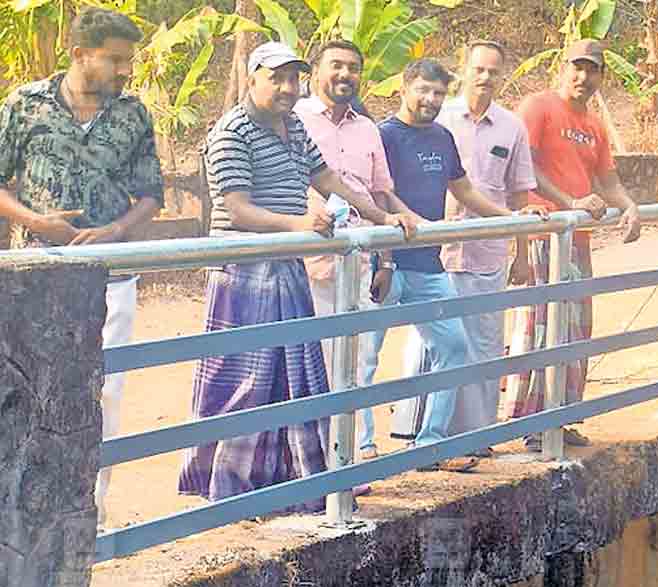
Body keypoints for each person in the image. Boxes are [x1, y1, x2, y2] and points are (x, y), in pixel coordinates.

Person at [179, 41, 421, 505]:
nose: (288, 88)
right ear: (252, 78)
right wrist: (298, 224)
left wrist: (380, 217)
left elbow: (329, 179)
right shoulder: (233, 131)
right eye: (277, 77)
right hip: (245, 271)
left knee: (294, 379)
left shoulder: (291, 126)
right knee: (243, 384)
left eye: (294, 78)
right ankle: (229, 490)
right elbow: (234, 207)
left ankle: (289, 481)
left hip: (287, 264)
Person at [0, 7, 161, 530]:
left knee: (105, 392)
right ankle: (22, 511)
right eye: (115, 60)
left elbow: (151, 194)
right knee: (27, 390)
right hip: (34, 275)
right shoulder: (25, 105)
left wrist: (114, 232)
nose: (124, 71)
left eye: (127, 61)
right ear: (79, 55)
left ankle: (90, 510)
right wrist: (35, 221)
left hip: (110, 275)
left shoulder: (133, 114)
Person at [375, 58, 539, 472]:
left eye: (436, 93)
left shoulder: (442, 137)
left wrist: (510, 219)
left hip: (430, 266)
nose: (429, 99)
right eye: (422, 91)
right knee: (363, 359)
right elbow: (376, 194)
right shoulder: (383, 136)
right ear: (404, 88)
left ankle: (430, 445)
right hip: (385, 264)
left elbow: (464, 190)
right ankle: (361, 455)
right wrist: (386, 256)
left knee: (454, 348)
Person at [507, 39, 642, 452]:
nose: (584, 77)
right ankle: (531, 423)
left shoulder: (595, 127)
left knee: (576, 329)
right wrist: (569, 204)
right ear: (563, 68)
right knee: (541, 325)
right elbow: (524, 165)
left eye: (593, 70)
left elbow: (609, 181)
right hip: (546, 232)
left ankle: (562, 416)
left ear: (602, 76)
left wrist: (630, 206)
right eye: (577, 68)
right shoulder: (539, 107)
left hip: (578, 241)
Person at [294, 40, 405, 461]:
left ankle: (351, 456)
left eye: (353, 68)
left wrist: (387, 259)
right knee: (313, 364)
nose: (345, 75)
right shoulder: (293, 120)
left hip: (359, 262)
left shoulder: (367, 129)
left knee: (356, 363)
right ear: (315, 72)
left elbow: (380, 195)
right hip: (307, 262)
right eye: (336, 65)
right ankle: (318, 462)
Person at [434, 40, 540, 451]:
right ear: (464, 68)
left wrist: (522, 253)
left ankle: (477, 437)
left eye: (494, 71)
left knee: (484, 344)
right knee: (438, 344)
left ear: (502, 75)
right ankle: (431, 437)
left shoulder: (511, 127)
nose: (485, 77)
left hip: (487, 253)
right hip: (438, 252)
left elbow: (519, 197)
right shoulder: (439, 117)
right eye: (479, 69)